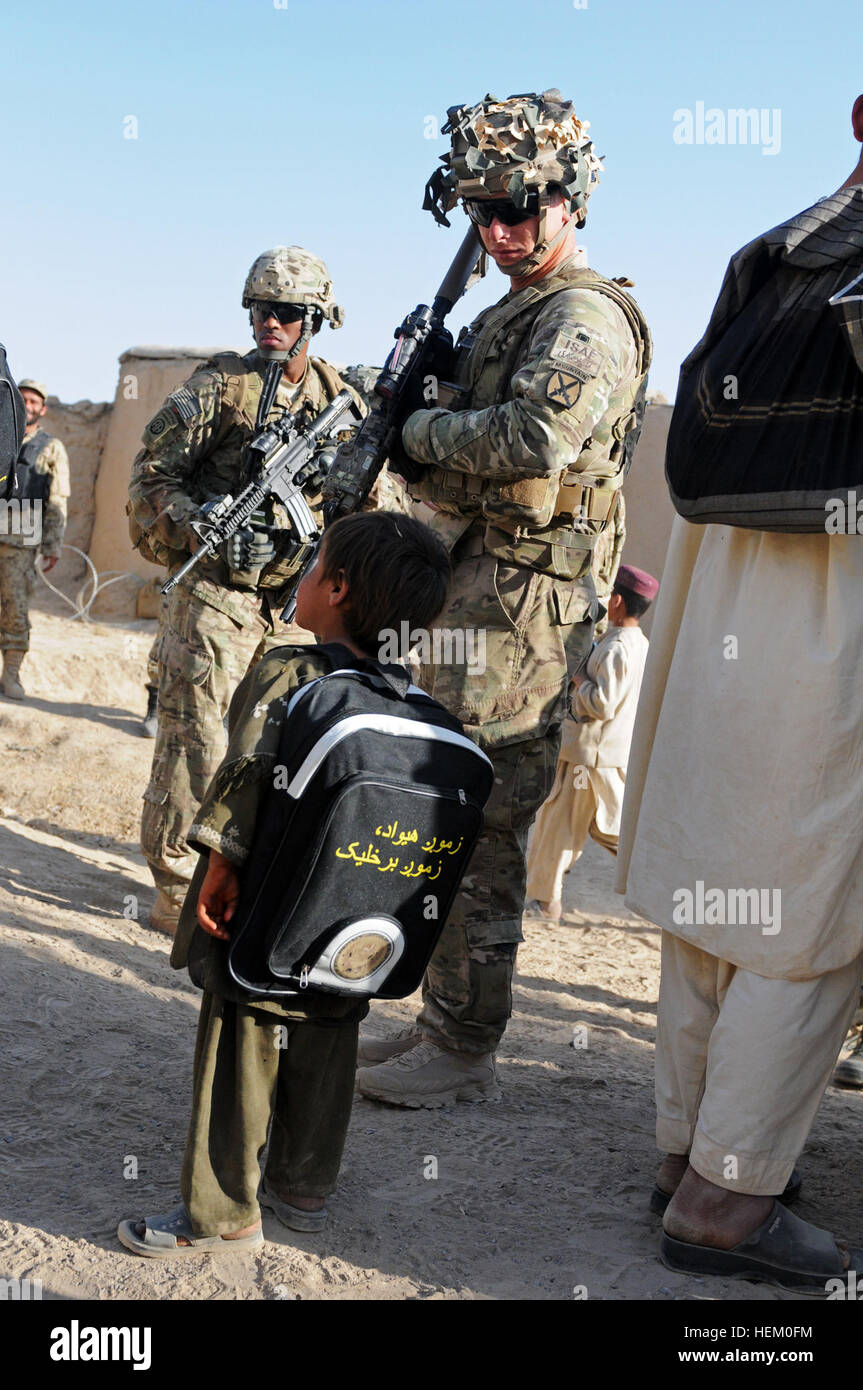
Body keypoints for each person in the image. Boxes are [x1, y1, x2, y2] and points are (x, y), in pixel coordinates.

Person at [356, 89, 652, 1107]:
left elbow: (533, 445)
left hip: (524, 615)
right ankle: (442, 1019)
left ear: (569, 199)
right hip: (474, 596)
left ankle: (467, 1047)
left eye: (518, 208)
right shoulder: (506, 309)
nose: (497, 231)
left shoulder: (580, 316)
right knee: (442, 808)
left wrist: (417, 431)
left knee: (483, 823)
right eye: (479, 212)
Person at [615, 97, 863, 1290]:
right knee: (806, 921)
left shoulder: (773, 256)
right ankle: (725, 1196)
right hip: (833, 634)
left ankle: (684, 1151)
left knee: (719, 897)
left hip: (719, 625)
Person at [117, 511, 451, 1257]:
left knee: (242, 1031)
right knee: (330, 1026)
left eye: (313, 565)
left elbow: (244, 772)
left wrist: (220, 866)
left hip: (269, 905)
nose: (300, 577)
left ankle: (221, 1211)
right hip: (353, 921)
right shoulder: (407, 694)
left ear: (334, 588)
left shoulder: (289, 668)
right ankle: (304, 1188)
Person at [128, 246, 363, 935]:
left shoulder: (338, 400)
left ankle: (246, 876)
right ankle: (176, 885)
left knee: (269, 747)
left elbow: (369, 500)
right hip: (214, 589)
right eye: (261, 309)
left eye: (287, 312)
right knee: (196, 737)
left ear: (314, 319)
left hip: (294, 600)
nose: (271, 322)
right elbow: (149, 479)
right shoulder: (217, 387)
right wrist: (198, 522)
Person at [524, 563, 656, 919]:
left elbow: (601, 703)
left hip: (590, 756)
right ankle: (546, 900)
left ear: (616, 601)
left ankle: (660, 887)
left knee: (592, 830)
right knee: (579, 827)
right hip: (601, 754)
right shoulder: (639, 644)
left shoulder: (617, 648)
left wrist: (579, 677)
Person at [0, 378, 70, 699]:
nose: (28, 406)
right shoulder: (4, 435)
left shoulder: (51, 447)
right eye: (23, 400)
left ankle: (10, 674)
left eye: (33, 402)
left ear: (42, 409)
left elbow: (58, 498)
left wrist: (52, 544)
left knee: (15, 607)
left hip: (22, 536)